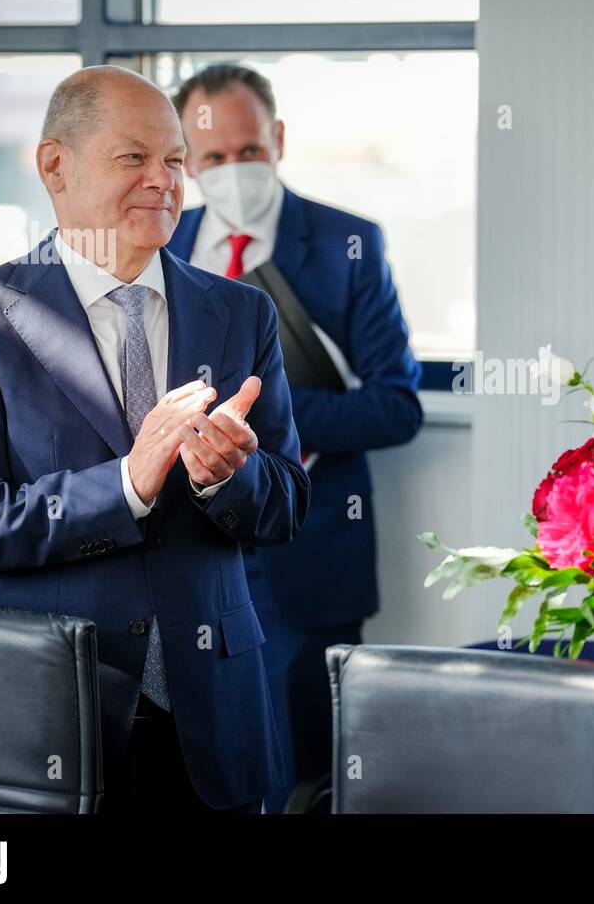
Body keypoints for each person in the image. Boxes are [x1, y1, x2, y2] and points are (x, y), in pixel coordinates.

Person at [0, 65, 311, 813]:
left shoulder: (240, 313)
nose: (164, 180)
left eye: (174, 160)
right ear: (54, 166)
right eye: (134, 157)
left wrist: (229, 477)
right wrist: (127, 483)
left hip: (216, 721)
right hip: (54, 717)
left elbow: (286, 504)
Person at [167, 63, 422, 812]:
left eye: (248, 150)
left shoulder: (349, 244)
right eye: (213, 157)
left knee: (304, 773)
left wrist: (264, 418)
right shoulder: (163, 242)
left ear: (277, 138)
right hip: (185, 548)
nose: (234, 169)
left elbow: (396, 407)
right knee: (200, 758)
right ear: (186, 160)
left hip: (308, 550)